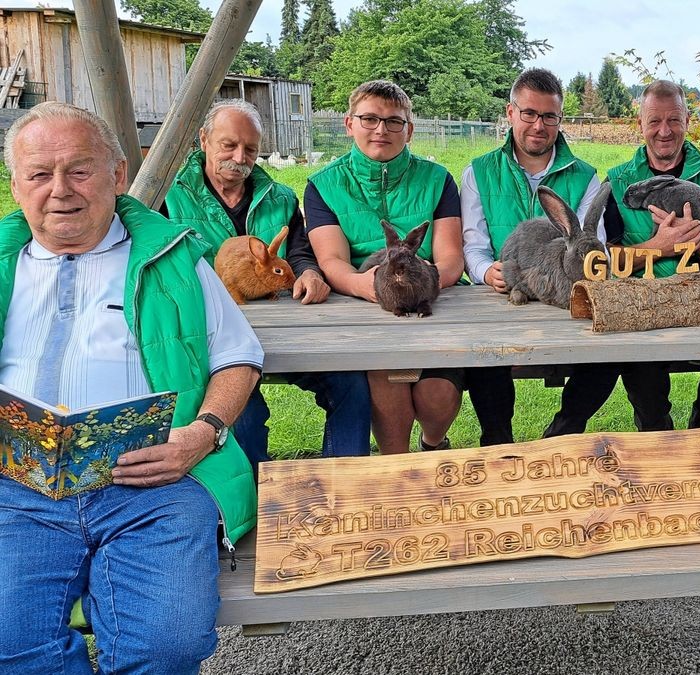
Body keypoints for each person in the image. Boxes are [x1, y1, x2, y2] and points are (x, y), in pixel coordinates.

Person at [0, 102, 262, 673]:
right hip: (17, 487)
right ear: (16, 185)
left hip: (154, 482)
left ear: (118, 176)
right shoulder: (3, 262)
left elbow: (239, 359)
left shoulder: (172, 258)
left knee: (166, 648)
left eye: (80, 170)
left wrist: (203, 433)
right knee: (10, 643)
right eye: (40, 175)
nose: (61, 191)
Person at [162, 99, 370, 474]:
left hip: (283, 333)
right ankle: (253, 504)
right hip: (209, 339)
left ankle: (342, 494)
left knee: (352, 383)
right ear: (204, 139)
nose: (240, 157)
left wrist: (310, 273)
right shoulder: (168, 196)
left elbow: (301, 251)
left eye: (251, 149)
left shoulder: (280, 197)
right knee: (242, 414)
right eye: (229, 145)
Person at [544, 79, 700, 436]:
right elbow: (601, 260)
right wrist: (658, 247)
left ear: (688, 119)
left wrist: (698, 245)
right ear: (640, 125)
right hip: (644, 309)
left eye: (674, 120)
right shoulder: (619, 182)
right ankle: (657, 437)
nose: (664, 131)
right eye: (654, 121)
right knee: (643, 376)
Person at [306, 80, 465, 454]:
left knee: (436, 393)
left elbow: (451, 258)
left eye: (394, 122)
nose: (381, 130)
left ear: (408, 130)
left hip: (431, 301)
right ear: (349, 123)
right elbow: (332, 261)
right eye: (370, 119)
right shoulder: (324, 186)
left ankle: (433, 441)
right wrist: (374, 288)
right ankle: (397, 465)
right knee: (383, 377)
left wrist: (424, 286)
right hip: (364, 306)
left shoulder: (438, 179)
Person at [461, 68, 607, 445]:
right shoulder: (479, 173)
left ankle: (562, 434)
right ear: (511, 113)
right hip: (505, 295)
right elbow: (474, 245)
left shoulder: (584, 175)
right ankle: (498, 441)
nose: (538, 125)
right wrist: (484, 271)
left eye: (549, 116)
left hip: (568, 295)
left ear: (560, 120)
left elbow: (594, 241)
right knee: (482, 352)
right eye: (529, 113)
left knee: (610, 353)